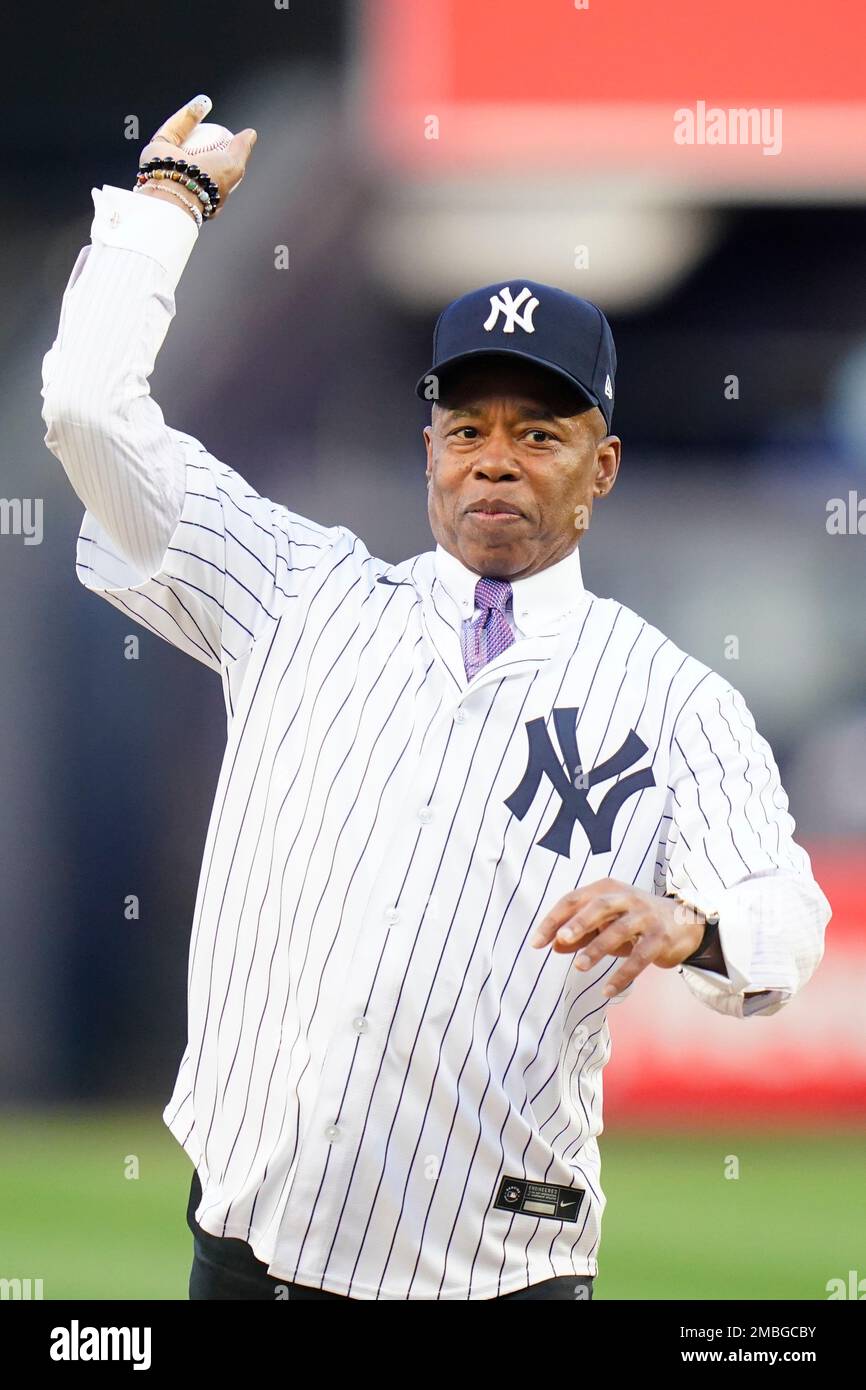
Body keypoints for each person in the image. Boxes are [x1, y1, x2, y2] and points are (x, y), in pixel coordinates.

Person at [41, 96, 831, 1301]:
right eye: (466, 426)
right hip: (248, 1256)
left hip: (498, 1274)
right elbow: (88, 412)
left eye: (538, 430)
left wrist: (692, 927)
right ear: (428, 451)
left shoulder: (674, 698)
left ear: (599, 466)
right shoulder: (295, 592)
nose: (494, 458)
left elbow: (785, 916)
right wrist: (166, 210)